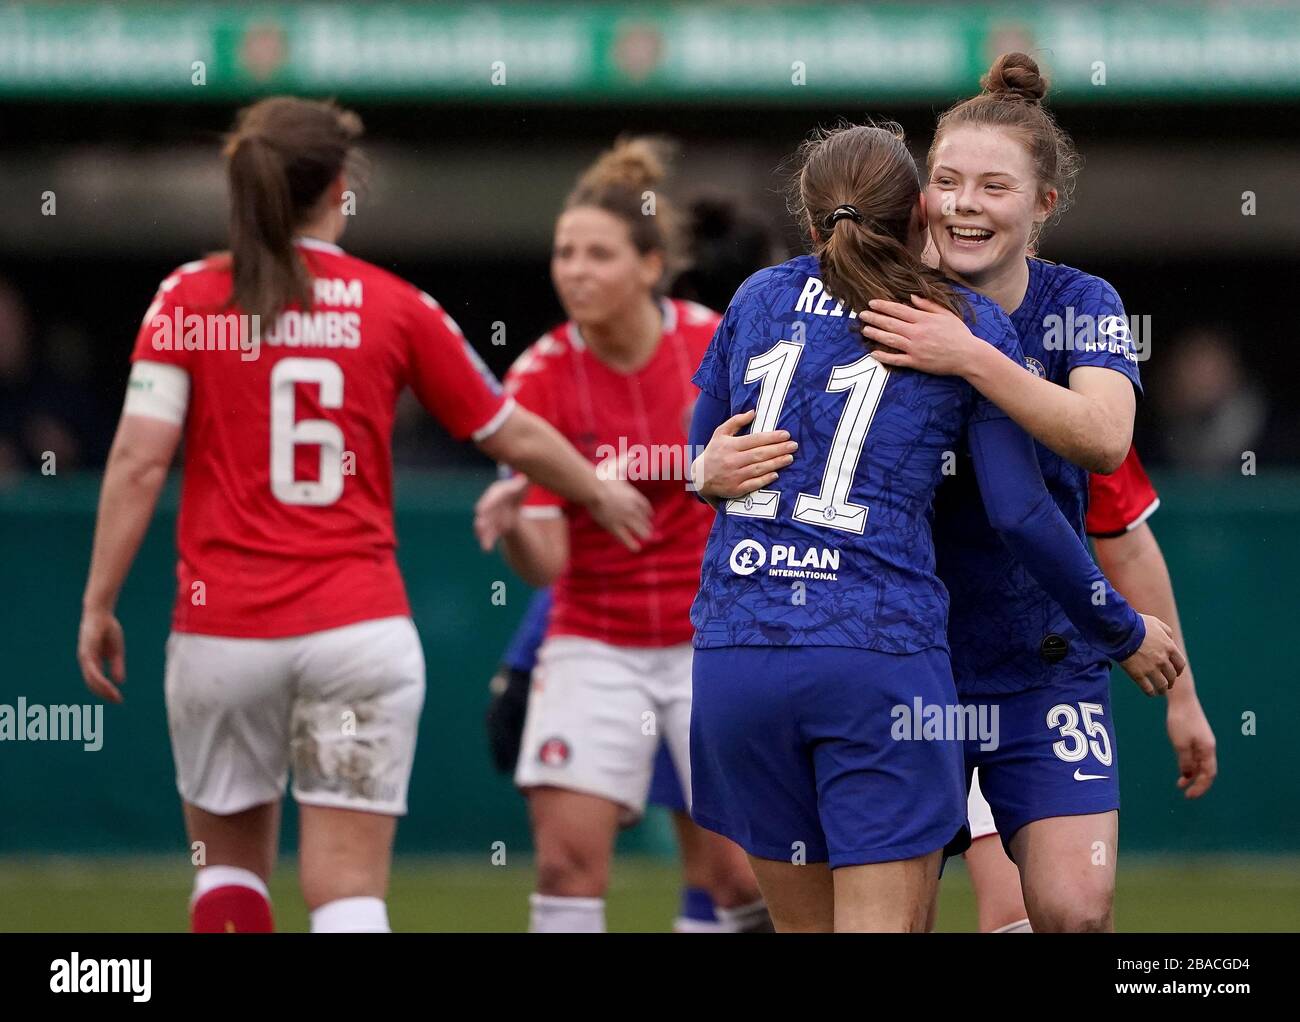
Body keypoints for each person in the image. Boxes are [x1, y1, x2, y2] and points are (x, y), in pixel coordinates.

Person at [75, 96, 651, 934]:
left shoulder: (186, 298)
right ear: (339, 188)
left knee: (227, 877)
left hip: (224, 634)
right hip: (359, 633)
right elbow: (506, 429)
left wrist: (98, 601)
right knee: (348, 893)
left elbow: (136, 462)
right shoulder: (392, 303)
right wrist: (596, 489)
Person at [686, 120, 1183, 933]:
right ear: (916, 208)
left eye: (996, 186)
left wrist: (701, 473)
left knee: (1067, 910)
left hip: (752, 653)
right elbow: (1023, 513)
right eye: (948, 182)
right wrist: (1123, 630)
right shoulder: (957, 312)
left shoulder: (760, 296)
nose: (965, 205)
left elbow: (1104, 442)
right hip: (889, 657)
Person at [472, 138, 769, 934]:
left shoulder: (716, 345)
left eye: (597, 254)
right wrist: (512, 524)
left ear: (648, 266)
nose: (574, 270)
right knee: (568, 865)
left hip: (715, 638)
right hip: (592, 640)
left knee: (740, 875)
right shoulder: (536, 376)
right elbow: (548, 564)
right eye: (564, 253)